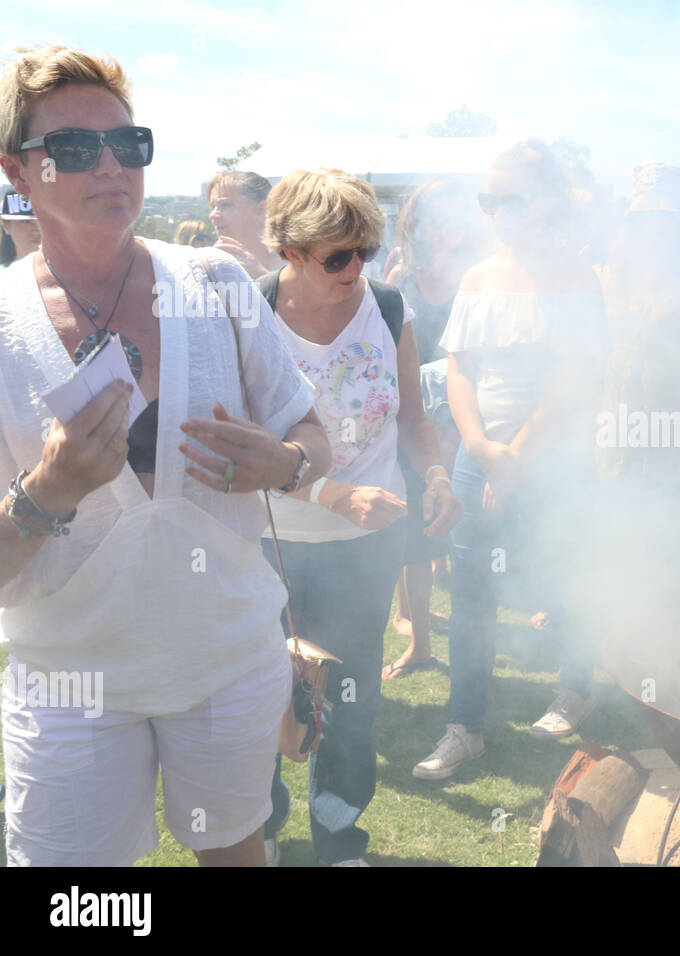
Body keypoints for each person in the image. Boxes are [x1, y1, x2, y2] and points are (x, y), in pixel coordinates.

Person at [0, 44, 331, 867]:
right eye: (75, 149)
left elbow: (315, 441)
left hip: (228, 658)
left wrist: (283, 465)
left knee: (234, 853)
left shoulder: (215, 283)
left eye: (129, 143)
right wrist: (47, 493)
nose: (111, 165)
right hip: (69, 683)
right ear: (17, 169)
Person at [256, 167, 461, 866]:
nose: (354, 269)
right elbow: (240, 446)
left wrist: (435, 474)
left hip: (365, 546)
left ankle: (338, 841)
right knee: (259, 693)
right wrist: (329, 495)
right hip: (267, 541)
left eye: (364, 252)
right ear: (289, 249)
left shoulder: (387, 306)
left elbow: (411, 415)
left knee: (349, 698)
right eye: (336, 256)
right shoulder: (249, 314)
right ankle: (261, 835)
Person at [414, 140, 605, 780]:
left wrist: (518, 452)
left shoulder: (577, 276)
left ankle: (576, 687)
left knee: (567, 576)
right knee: (470, 595)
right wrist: (478, 447)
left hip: (554, 459)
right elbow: (460, 371)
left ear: (548, 199)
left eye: (510, 198)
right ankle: (464, 726)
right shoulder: (476, 277)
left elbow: (580, 376)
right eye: (487, 200)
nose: (496, 211)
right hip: (482, 456)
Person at [381, 178, 484, 680]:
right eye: (427, 218)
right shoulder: (400, 278)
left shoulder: (476, 278)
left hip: (466, 416)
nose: (436, 228)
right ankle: (418, 641)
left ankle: (473, 640)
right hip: (413, 418)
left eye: (446, 216)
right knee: (415, 534)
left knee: (467, 531)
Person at [206, 169, 281, 279]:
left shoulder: (298, 262)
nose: (213, 215)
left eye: (225, 205)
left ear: (261, 210)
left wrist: (260, 274)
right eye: (213, 207)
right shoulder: (211, 266)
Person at [1, 184, 40, 266]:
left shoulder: (69, 273)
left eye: (42, 221)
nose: (37, 229)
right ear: (5, 225)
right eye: (26, 222)